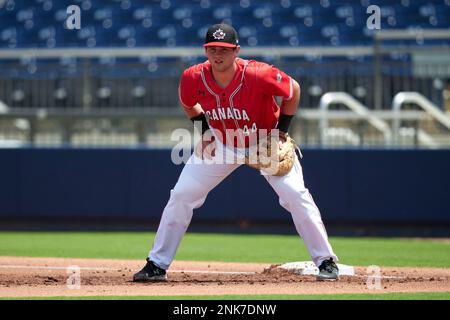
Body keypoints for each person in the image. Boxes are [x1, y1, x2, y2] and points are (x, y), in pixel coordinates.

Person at [133, 23, 339, 282]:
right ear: (206, 50)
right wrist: (206, 132)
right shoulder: (193, 77)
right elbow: (188, 103)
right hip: (223, 143)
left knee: (295, 195)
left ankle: (326, 261)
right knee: (182, 194)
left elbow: (293, 90)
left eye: (225, 49)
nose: (218, 54)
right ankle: (157, 264)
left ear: (236, 51)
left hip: (264, 143)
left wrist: (281, 132)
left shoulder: (258, 74)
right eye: (213, 49)